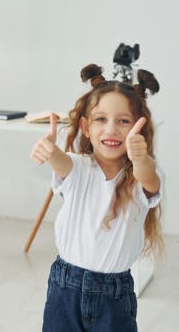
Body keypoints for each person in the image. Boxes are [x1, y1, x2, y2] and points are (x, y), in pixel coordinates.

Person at [30, 64, 163, 332]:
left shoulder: (142, 173)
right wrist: (49, 149)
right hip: (64, 287)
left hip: (115, 295)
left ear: (139, 127)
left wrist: (140, 157)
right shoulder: (78, 167)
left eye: (123, 121)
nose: (111, 129)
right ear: (85, 127)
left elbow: (150, 179)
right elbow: (61, 161)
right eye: (101, 119)